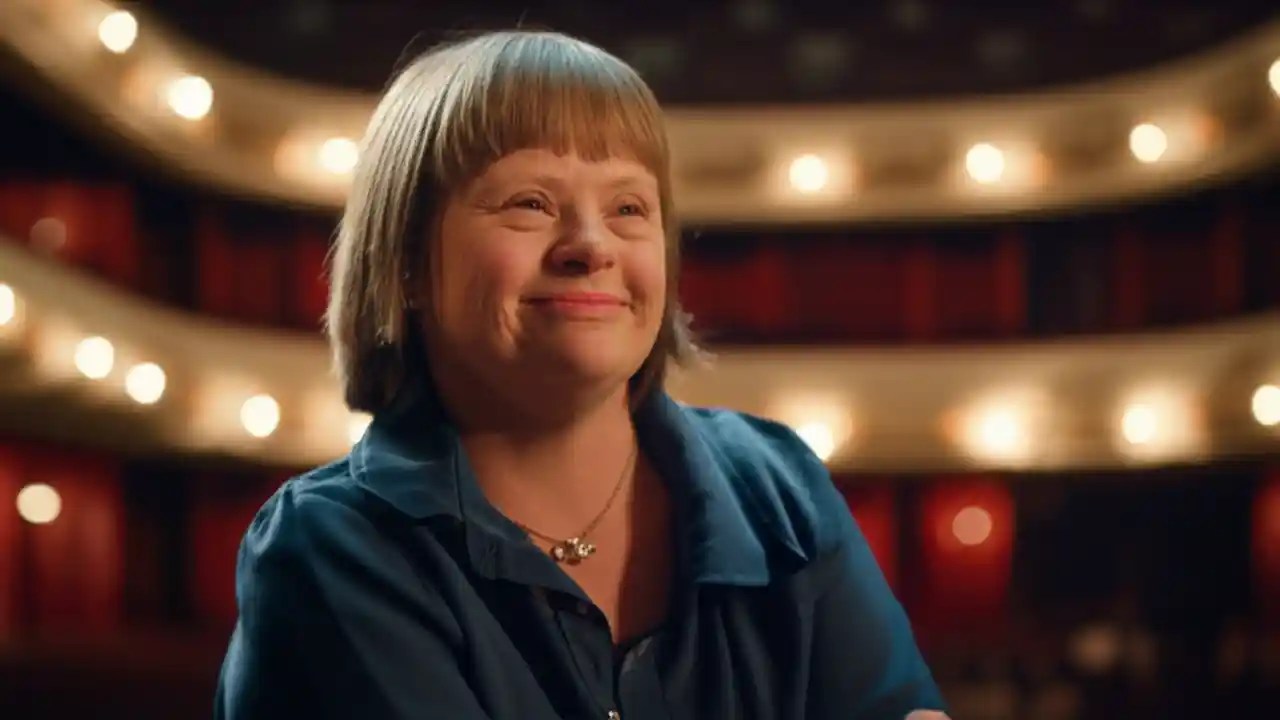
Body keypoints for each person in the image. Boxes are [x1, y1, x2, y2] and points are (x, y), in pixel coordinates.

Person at [213, 29, 947, 720]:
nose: (591, 246)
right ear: (405, 263)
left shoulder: (780, 485)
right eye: (529, 203)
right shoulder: (328, 547)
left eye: (629, 207)